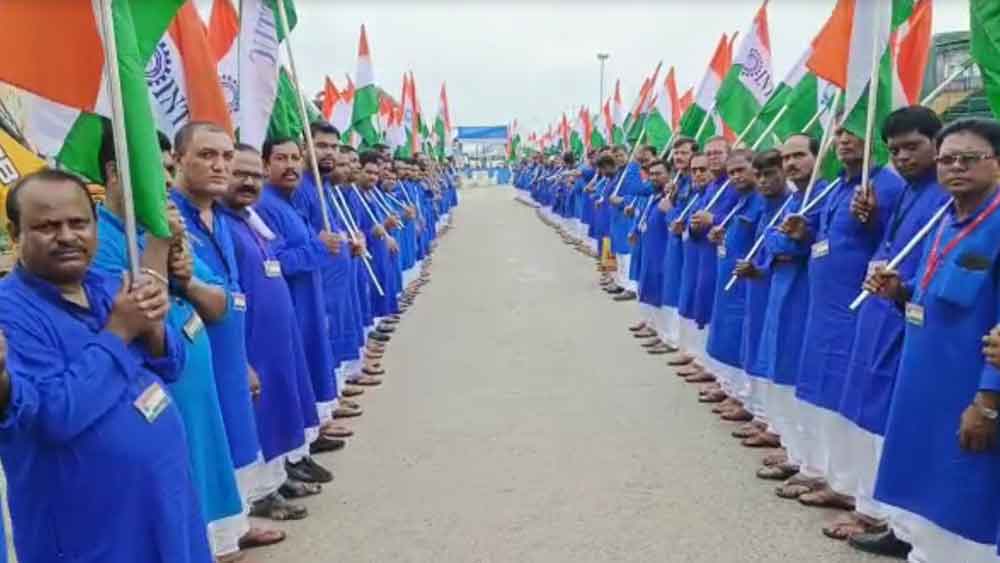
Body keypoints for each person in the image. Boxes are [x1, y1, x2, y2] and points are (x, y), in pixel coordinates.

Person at [0, 169, 212, 562]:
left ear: (95, 227)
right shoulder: (10, 312)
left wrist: (153, 334)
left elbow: (171, 366)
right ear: (15, 236)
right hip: (91, 533)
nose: (66, 236)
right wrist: (118, 332)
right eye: (46, 226)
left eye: (77, 223)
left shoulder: (105, 283)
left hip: (164, 508)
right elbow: (53, 415)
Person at [92, 127, 253, 558]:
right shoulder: (99, 240)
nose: (164, 182)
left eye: (167, 170)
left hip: (196, 392)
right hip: (155, 403)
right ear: (114, 173)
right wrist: (161, 249)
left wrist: (188, 280)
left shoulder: (158, 227)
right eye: (153, 170)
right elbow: (143, 316)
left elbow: (218, 301)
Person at [868, 118, 1000, 563]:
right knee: (924, 493)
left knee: (966, 501)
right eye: (946, 160)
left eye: (969, 158)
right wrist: (899, 291)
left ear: (997, 164)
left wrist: (987, 403)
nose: (954, 167)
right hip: (924, 385)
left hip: (968, 392)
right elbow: (930, 298)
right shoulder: (943, 222)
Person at [830, 107, 949, 554]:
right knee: (881, 413)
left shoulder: (945, 195)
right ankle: (894, 521)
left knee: (904, 421)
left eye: (912, 147)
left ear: (937, 144)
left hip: (916, 321)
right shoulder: (906, 192)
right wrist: (872, 218)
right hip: (887, 312)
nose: (901, 157)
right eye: (895, 149)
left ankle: (908, 529)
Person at [792, 127, 904, 510]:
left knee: (849, 400)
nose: (843, 139)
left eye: (854, 131)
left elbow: (889, 244)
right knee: (824, 392)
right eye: (838, 132)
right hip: (826, 309)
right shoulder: (841, 186)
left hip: (856, 312)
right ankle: (830, 473)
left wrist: (873, 218)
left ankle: (855, 491)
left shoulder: (886, 187)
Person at [221, 143, 323, 522]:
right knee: (259, 414)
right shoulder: (223, 223)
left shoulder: (250, 218)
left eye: (253, 176)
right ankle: (259, 494)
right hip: (250, 337)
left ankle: (275, 480)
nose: (248, 181)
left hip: (277, 331)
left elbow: (274, 257)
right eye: (239, 172)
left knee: (281, 404)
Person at [253, 137, 342, 483]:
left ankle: (299, 451)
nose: (290, 165)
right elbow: (276, 261)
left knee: (301, 381)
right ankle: (285, 463)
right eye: (280, 158)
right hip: (288, 306)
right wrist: (318, 248)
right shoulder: (264, 206)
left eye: (295, 158)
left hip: (305, 304)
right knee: (286, 385)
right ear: (265, 165)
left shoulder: (288, 205)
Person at [732, 148, 791, 449]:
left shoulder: (792, 205)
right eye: (760, 175)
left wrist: (762, 268)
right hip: (760, 285)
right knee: (758, 346)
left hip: (779, 288)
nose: (764, 181)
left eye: (770, 174)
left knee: (779, 356)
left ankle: (777, 427)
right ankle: (764, 415)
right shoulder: (766, 205)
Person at [702, 150, 758, 414]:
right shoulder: (740, 200)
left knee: (742, 339)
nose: (735, 176)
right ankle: (733, 391)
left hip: (748, 283)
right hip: (730, 277)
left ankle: (749, 402)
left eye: (740, 170)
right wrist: (721, 235)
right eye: (732, 172)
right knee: (728, 334)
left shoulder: (760, 201)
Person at [652, 137, 697, 355]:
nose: (678, 157)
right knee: (674, 289)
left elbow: (679, 220)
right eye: (676, 153)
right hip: (676, 244)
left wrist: (669, 208)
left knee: (684, 292)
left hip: (688, 243)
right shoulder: (680, 182)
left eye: (684, 153)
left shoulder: (696, 183)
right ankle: (673, 338)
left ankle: (678, 342)